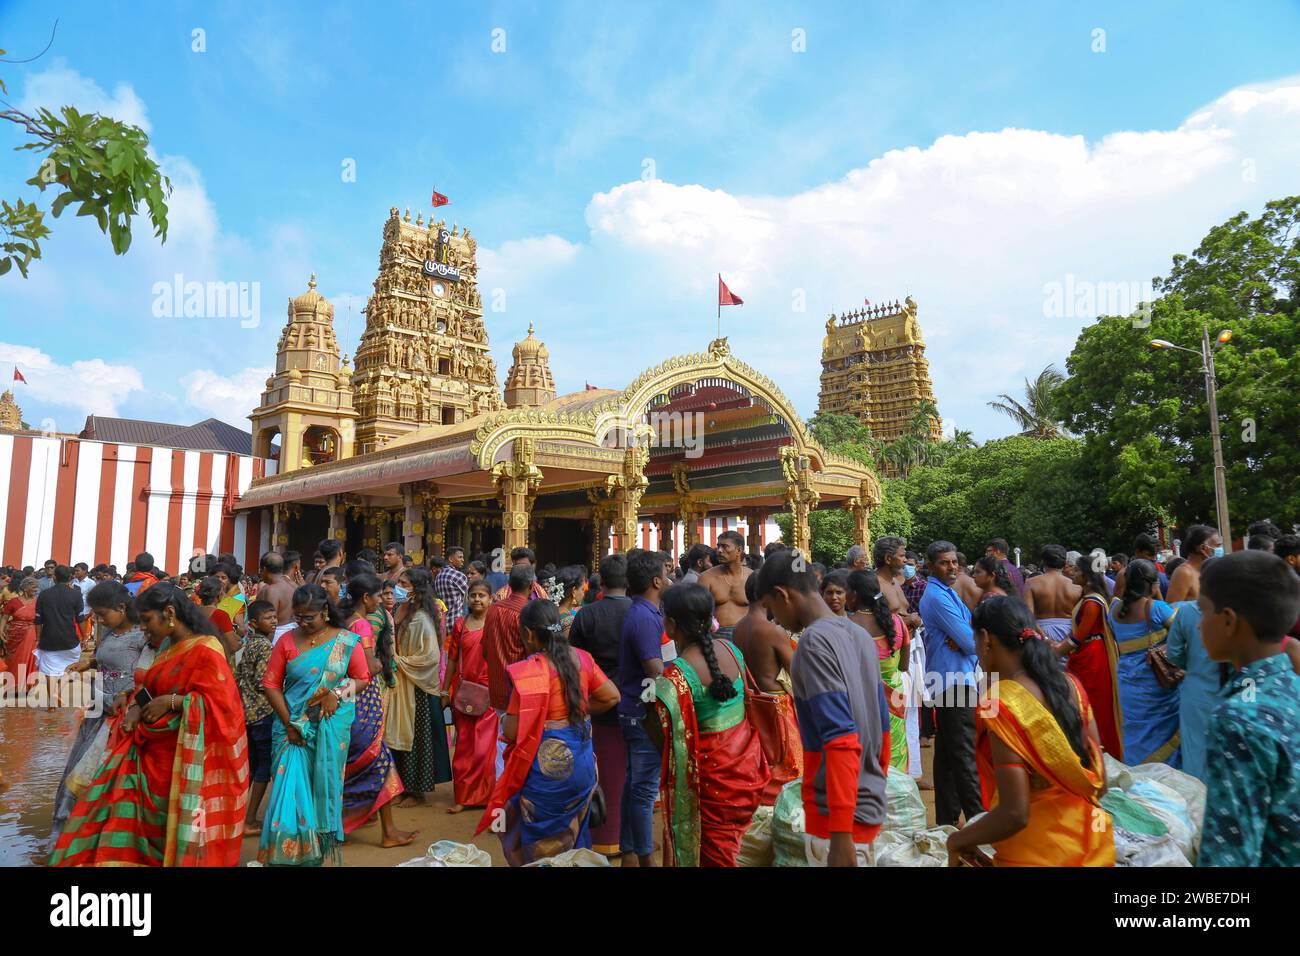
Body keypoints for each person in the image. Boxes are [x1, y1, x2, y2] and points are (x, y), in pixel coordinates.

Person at [50, 583, 249, 867]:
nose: (143, 629)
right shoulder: (168, 647)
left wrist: (171, 702)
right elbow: (149, 687)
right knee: (116, 818)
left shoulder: (206, 650)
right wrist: (133, 704)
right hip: (147, 754)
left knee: (166, 829)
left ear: (169, 613)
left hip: (178, 763)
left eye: (146, 621)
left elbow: (224, 707)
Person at [946, 596, 1114, 867]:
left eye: (975, 641)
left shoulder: (1001, 704)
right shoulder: (1071, 686)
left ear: (986, 638)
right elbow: (1101, 783)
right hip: (1092, 845)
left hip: (1037, 853)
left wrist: (958, 840)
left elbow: (1015, 813)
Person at [757, 548, 889, 867]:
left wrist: (840, 835)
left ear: (782, 595)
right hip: (866, 801)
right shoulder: (858, 634)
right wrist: (874, 784)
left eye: (771, 607)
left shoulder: (812, 644)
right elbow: (883, 729)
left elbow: (840, 740)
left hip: (836, 820)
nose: (774, 617)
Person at [475, 599, 619, 865]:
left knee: (541, 843)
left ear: (528, 634)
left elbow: (513, 728)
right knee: (577, 838)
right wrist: (580, 712)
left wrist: (536, 721)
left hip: (546, 773)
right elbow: (612, 697)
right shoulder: (582, 658)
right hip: (583, 768)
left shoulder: (528, 672)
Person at [649, 583, 767, 866]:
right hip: (748, 772)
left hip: (711, 786)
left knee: (715, 855)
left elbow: (663, 740)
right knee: (745, 849)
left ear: (671, 625)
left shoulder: (674, 677)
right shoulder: (732, 650)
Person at [1195, 551, 1300, 866]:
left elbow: (1230, 855)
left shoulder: (1238, 720)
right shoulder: (1291, 686)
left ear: (1228, 620)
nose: (1200, 625)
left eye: (1203, 612)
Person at [258, 584, 369, 865]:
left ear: (325, 611)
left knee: (318, 790)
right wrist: (290, 724)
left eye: (309, 617)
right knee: (289, 793)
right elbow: (271, 684)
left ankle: (313, 855)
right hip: (289, 729)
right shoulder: (286, 641)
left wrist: (336, 693)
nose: (303, 623)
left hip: (326, 730)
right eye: (298, 616)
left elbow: (363, 678)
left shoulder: (345, 641)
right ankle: (287, 856)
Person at [49, 581, 150, 846]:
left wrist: (125, 699)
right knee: (74, 774)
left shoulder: (144, 636)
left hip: (120, 716)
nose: (99, 620)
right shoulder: (111, 631)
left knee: (97, 778)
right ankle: (65, 840)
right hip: (97, 711)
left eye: (103, 614)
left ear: (121, 607)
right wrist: (90, 663)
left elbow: (142, 677)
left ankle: (90, 841)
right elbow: (109, 659)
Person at [338, 572, 414, 845]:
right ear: (366, 598)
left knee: (350, 762)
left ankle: (351, 823)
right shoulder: (362, 627)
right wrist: (380, 665)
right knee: (378, 761)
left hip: (344, 698)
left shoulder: (344, 622)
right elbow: (368, 667)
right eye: (379, 595)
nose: (382, 600)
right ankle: (387, 832)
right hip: (363, 699)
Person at [568, 553, 634, 855]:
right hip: (635, 702)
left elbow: (576, 660)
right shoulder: (641, 612)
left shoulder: (587, 614)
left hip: (596, 701)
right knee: (629, 773)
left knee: (599, 769)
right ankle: (628, 838)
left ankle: (598, 836)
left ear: (601, 582)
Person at [919, 541, 984, 827]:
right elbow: (972, 642)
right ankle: (978, 821)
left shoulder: (946, 593)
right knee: (963, 753)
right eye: (945, 563)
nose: (952, 566)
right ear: (931, 566)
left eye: (954, 561)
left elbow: (969, 636)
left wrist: (966, 639)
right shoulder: (936, 596)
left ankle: (947, 820)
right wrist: (967, 639)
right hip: (953, 681)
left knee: (947, 754)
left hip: (954, 678)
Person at [732, 571, 802, 804]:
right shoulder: (773, 631)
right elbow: (797, 672)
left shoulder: (738, 628)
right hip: (778, 706)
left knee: (761, 765)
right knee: (788, 768)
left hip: (751, 703)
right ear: (766, 598)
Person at [385, 567, 452, 806]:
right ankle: (400, 786)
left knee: (416, 739)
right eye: (399, 582)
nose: (399, 586)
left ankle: (416, 791)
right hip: (399, 682)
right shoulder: (398, 608)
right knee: (397, 736)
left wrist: (399, 661)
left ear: (416, 588)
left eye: (404, 583)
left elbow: (430, 657)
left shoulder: (422, 617)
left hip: (417, 686)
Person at [618, 549, 669, 866]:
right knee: (644, 789)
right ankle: (645, 857)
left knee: (634, 784)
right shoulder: (645, 617)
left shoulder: (641, 612)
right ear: (656, 581)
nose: (668, 577)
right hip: (642, 711)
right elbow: (656, 670)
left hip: (633, 708)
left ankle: (630, 851)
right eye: (665, 572)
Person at [1110, 559, 1181, 766]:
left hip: (1128, 683)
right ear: (1153, 583)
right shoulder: (1157, 608)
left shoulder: (1114, 610)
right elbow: (1181, 634)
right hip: (1157, 682)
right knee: (1164, 733)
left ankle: (1139, 774)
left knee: (1134, 731)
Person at [442, 579, 497, 813]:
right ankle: (463, 797)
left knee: (486, 749)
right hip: (465, 693)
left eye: (481, 595)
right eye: (473, 595)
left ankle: (486, 797)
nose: (477, 599)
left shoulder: (496, 624)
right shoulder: (460, 624)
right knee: (464, 747)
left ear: (490, 599)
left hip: (491, 693)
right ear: (467, 598)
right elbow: (452, 659)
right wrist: (445, 690)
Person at [1062, 555, 1124, 759]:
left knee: (1095, 705)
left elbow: (1077, 639)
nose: (1072, 573)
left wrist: (1055, 650)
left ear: (1087, 575)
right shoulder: (1088, 598)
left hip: (1092, 659)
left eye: (1077, 570)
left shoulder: (1092, 603)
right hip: (1087, 655)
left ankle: (1100, 752)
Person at [846, 569, 909, 770]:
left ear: (853, 595)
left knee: (865, 761)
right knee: (894, 758)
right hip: (894, 701)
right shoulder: (898, 622)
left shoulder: (845, 626)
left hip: (860, 704)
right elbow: (903, 666)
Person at [484, 564, 535, 772]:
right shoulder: (527, 612)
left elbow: (485, 650)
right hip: (521, 688)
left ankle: (500, 792)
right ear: (531, 586)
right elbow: (532, 654)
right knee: (521, 741)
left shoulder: (493, 610)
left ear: (509, 585)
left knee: (502, 739)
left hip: (497, 685)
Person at [236, 599, 277, 835]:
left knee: (251, 766)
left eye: (274, 617)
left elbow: (241, 673)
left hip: (248, 713)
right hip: (263, 712)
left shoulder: (250, 643)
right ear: (253, 623)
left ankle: (241, 814)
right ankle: (250, 819)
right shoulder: (264, 647)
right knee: (264, 767)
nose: (273, 621)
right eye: (268, 618)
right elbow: (265, 683)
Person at [33, 565, 87, 684]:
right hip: (70, 640)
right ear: (70, 578)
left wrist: (37, 638)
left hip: (48, 640)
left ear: (54, 578)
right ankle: (59, 692)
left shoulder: (44, 595)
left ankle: (53, 698)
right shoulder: (76, 595)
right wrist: (84, 637)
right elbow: (80, 618)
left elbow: (38, 620)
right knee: (68, 670)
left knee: (49, 672)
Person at [1023, 545, 1083, 646]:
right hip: (1069, 635)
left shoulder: (1031, 583)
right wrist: (1067, 641)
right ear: (1065, 563)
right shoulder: (1077, 586)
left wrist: (1045, 638)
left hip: (1040, 632)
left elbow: (1028, 616)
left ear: (1043, 562)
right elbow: (1081, 618)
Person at [699, 530, 751, 638]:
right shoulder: (706, 578)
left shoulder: (751, 577)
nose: (719, 551)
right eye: (718, 546)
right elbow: (697, 611)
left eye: (725, 546)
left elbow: (762, 610)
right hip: (716, 637)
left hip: (746, 635)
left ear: (739, 550)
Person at [874, 536, 921, 631]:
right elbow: (871, 621)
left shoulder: (895, 581)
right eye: (902, 556)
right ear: (888, 558)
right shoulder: (874, 585)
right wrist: (906, 621)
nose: (905, 560)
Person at [1166, 525, 1221, 604]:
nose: (1220, 549)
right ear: (1203, 548)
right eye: (1217, 546)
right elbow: (1172, 611)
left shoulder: (1210, 570)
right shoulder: (1183, 573)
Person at [1, 576, 39, 690]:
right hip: (14, 634)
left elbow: (41, 620)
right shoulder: (14, 602)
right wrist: (0, 630)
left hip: (32, 634)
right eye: (34, 587)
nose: (36, 590)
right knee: (13, 659)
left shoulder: (38, 602)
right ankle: (13, 686)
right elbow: (4, 618)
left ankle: (26, 686)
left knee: (29, 658)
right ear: (26, 588)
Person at [256, 551, 297, 644]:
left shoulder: (272, 590)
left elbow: (271, 623)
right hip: (292, 636)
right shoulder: (293, 585)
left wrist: (267, 646)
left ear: (264, 569)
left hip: (276, 638)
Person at [1115, 533, 1169, 599]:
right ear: (1137, 552)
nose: (1154, 559)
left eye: (1155, 555)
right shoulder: (1123, 575)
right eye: (1149, 555)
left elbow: (1160, 602)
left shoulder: (1152, 571)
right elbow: (1116, 602)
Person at [550, 564, 588, 636]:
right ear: (573, 591)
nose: (583, 594)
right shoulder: (569, 621)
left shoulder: (550, 612)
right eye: (582, 589)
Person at [434, 546, 470, 621]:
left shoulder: (438, 576)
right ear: (450, 559)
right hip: (456, 621)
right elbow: (469, 597)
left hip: (443, 622)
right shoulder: (458, 575)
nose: (463, 560)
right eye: (460, 557)